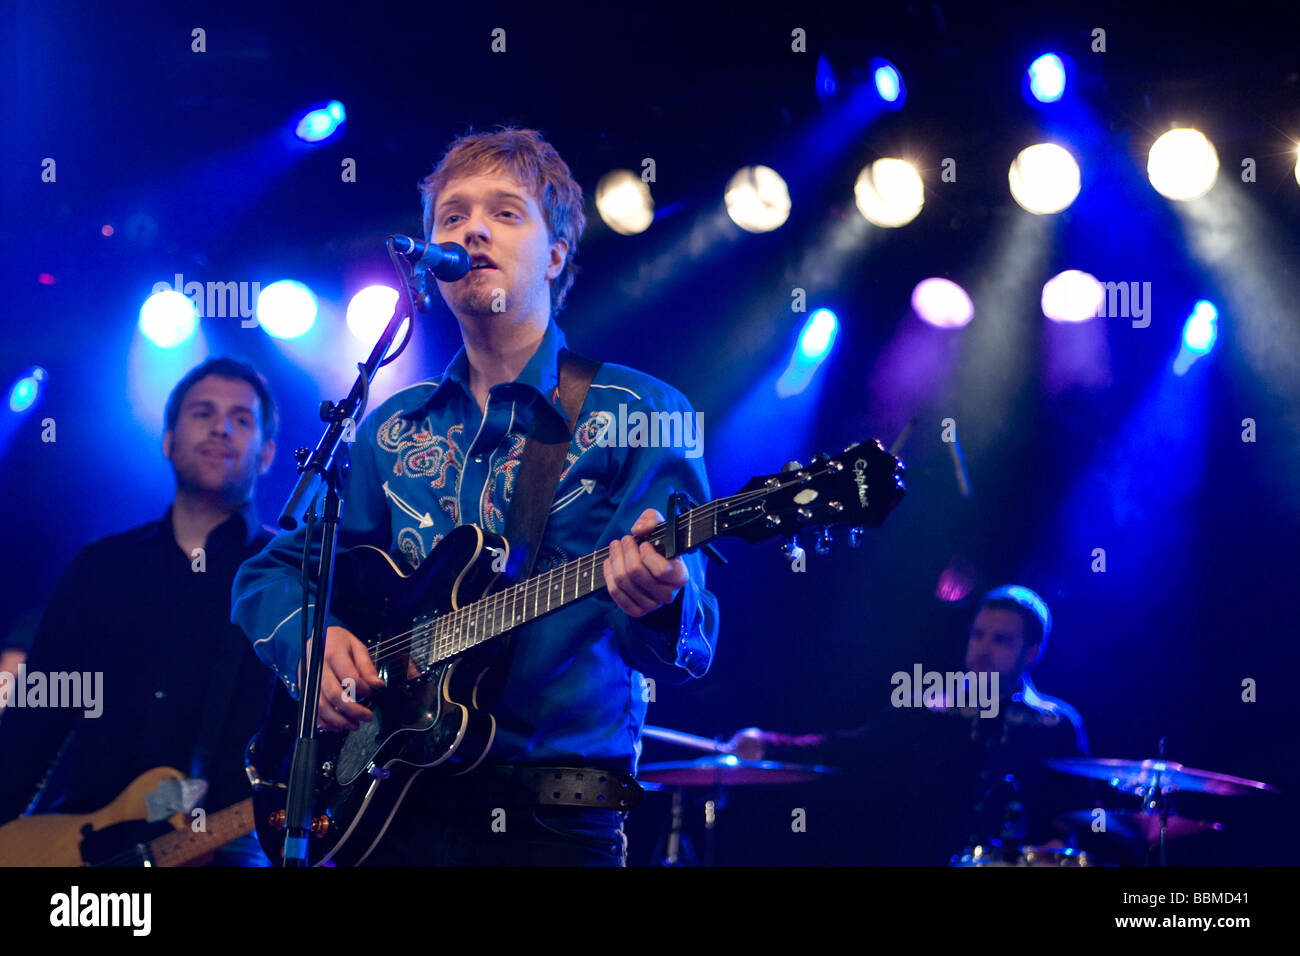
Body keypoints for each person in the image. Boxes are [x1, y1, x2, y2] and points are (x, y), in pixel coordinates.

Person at [232, 127, 720, 867]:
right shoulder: (390, 425)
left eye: (506, 213)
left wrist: (662, 600)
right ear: (429, 261)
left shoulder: (641, 411)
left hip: (555, 821)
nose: (473, 229)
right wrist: (317, 649)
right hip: (388, 802)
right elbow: (269, 573)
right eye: (452, 217)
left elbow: (692, 633)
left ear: (557, 254)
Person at [0, 358, 281, 866]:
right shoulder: (101, 567)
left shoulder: (291, 573)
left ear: (266, 454)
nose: (221, 427)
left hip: (231, 843)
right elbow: (32, 724)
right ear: (168, 440)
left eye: (241, 419)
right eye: (203, 413)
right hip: (85, 844)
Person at [727, 585, 1092, 864]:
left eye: (1001, 640)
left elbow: (1075, 815)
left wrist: (1057, 847)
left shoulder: (1055, 725)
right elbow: (852, 747)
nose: (982, 649)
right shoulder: (929, 706)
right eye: (977, 635)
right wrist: (769, 743)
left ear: (1032, 652)